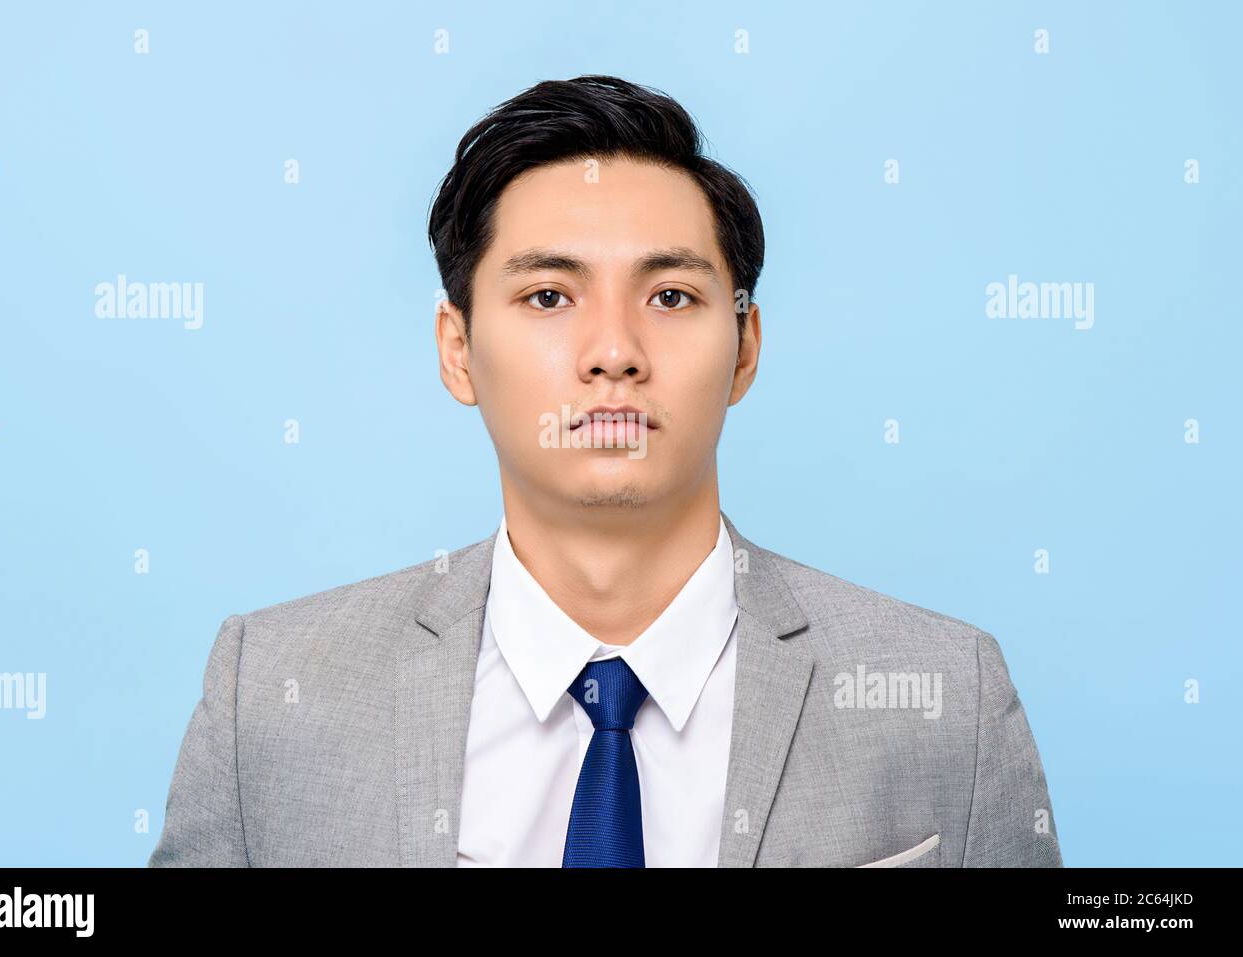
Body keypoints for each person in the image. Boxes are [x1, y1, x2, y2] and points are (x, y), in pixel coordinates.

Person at [148, 75, 1062, 868]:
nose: (615, 351)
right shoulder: (268, 693)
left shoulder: (948, 695)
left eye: (671, 296)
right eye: (549, 296)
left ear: (745, 345)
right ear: (457, 348)